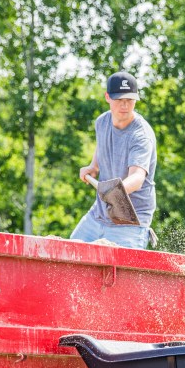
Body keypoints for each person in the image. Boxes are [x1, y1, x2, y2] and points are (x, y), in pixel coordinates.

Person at [70, 71, 157, 249]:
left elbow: (137, 178)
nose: (125, 105)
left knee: (121, 275)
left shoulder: (140, 135)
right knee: (67, 257)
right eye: (119, 100)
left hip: (131, 222)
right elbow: (102, 143)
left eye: (130, 100)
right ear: (107, 97)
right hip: (99, 215)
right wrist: (93, 166)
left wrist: (112, 191)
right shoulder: (102, 122)